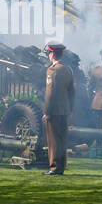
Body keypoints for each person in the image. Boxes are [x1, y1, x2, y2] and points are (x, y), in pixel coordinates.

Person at [42, 41, 75, 175]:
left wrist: (47, 112)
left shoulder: (52, 70)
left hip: (54, 111)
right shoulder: (68, 69)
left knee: (54, 140)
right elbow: (72, 91)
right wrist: (70, 109)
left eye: (49, 53)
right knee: (62, 140)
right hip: (65, 110)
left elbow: (50, 94)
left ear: (52, 54)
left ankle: (54, 167)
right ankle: (61, 166)